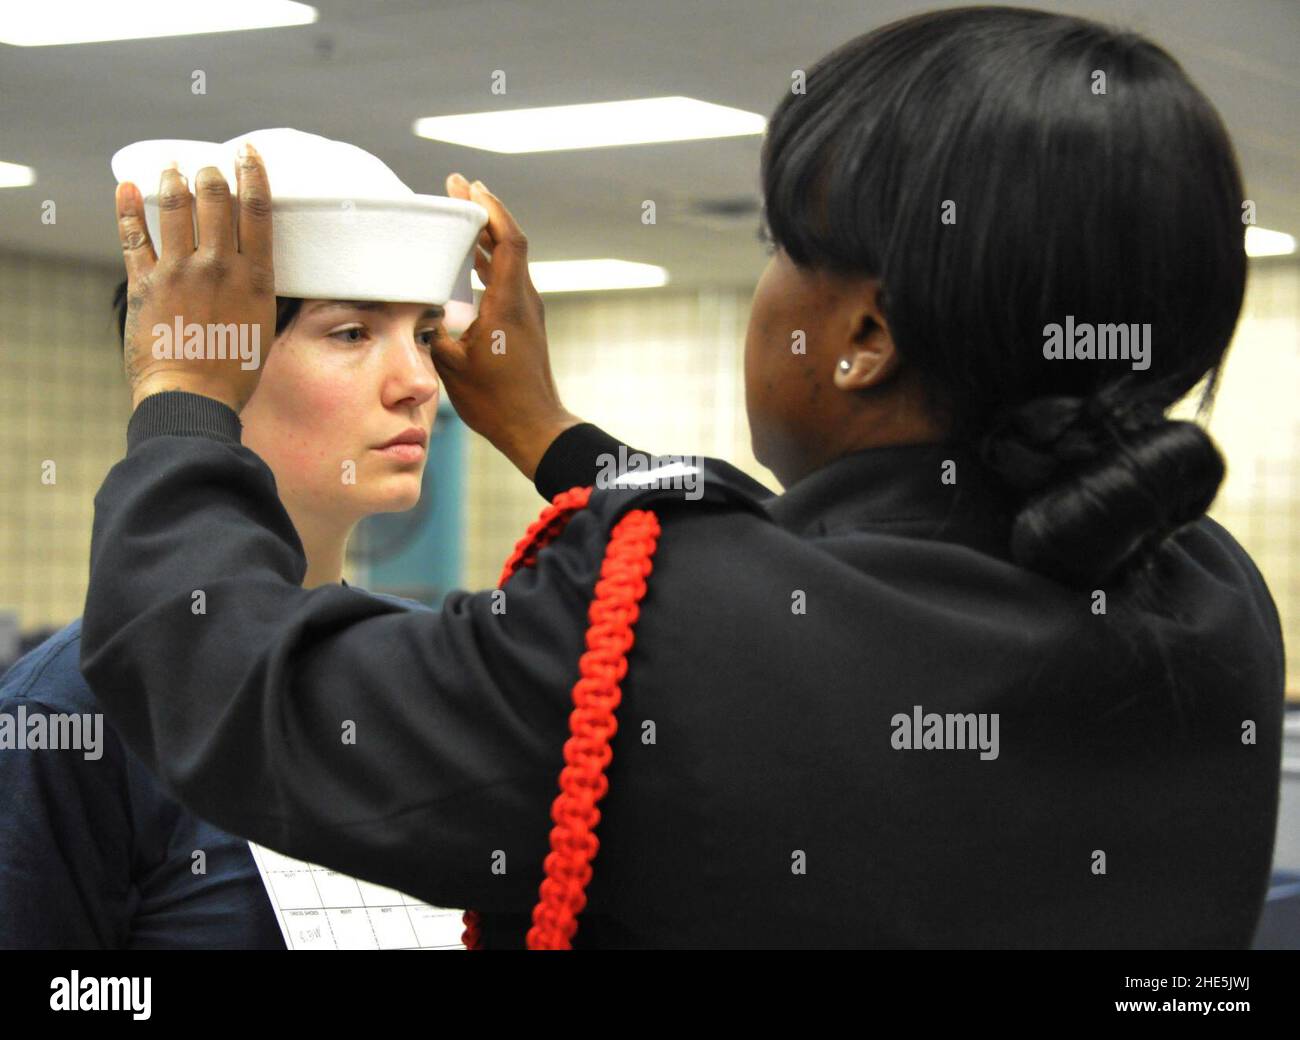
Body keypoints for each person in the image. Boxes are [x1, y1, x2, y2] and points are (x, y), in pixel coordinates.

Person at [81, 7, 1285, 949]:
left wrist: (186, 395)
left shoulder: (668, 626)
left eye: (778, 249)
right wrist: (552, 430)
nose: (414, 384)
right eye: (351, 332)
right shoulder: (1205, 594)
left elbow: (237, 686)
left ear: (862, 337)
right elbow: (818, 610)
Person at [0, 284, 440, 949]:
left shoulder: (432, 662)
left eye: (426, 336)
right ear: (209, 373)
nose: (420, 382)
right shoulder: (62, 716)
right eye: (351, 334)